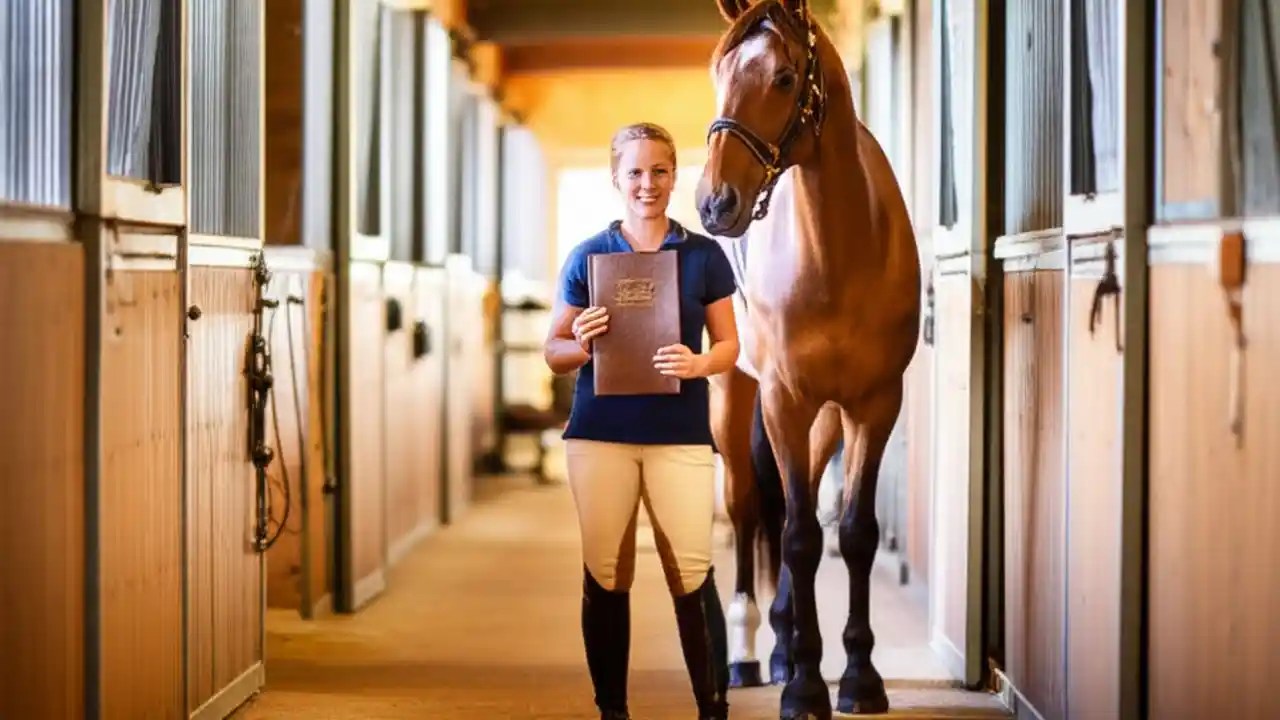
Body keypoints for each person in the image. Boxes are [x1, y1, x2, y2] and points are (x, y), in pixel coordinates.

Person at [543, 122, 740, 720]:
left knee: (693, 570)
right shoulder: (588, 256)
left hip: (679, 434)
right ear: (616, 179)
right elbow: (552, 354)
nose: (647, 184)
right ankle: (613, 711)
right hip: (599, 435)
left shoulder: (703, 254)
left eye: (659, 171)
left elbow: (731, 345)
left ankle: (712, 710)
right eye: (635, 172)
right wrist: (583, 342)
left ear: (674, 176)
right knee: (606, 570)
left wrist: (699, 360)